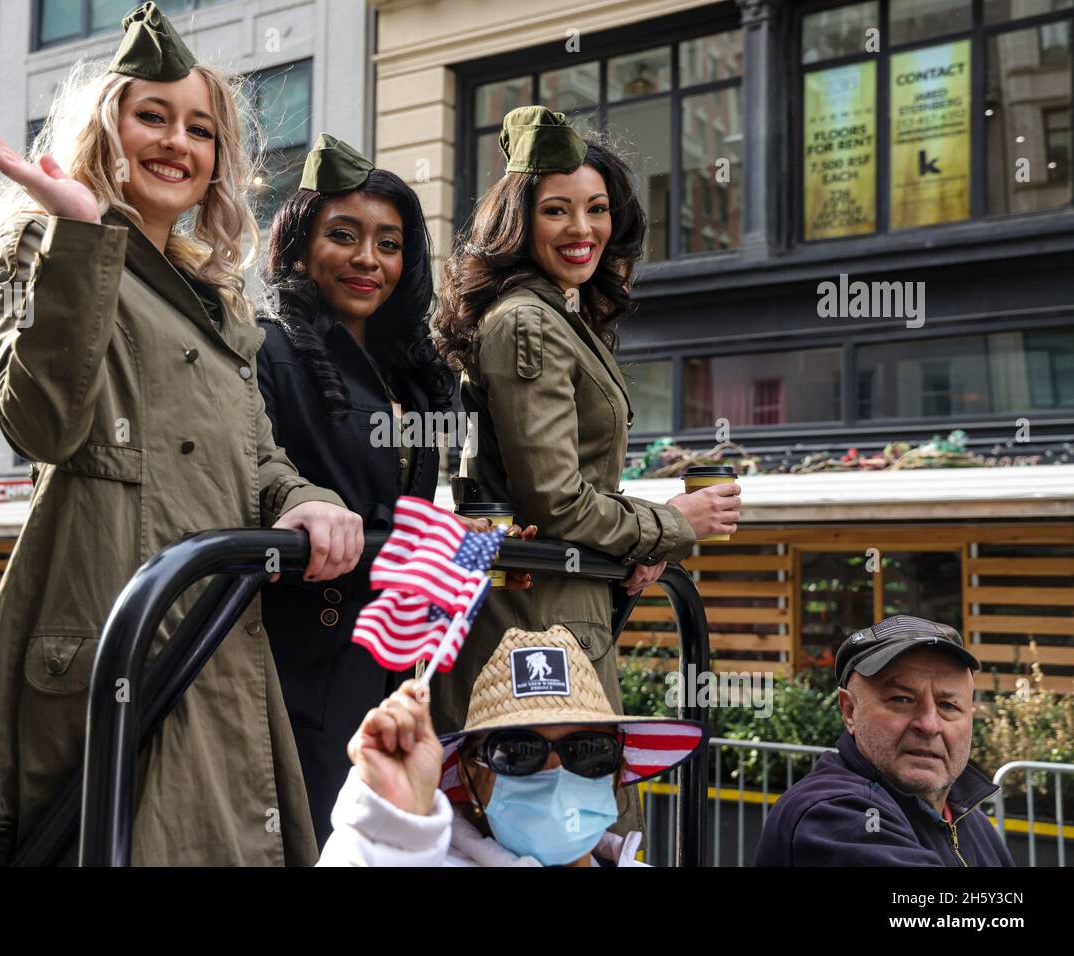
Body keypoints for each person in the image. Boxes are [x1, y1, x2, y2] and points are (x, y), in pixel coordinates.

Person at [0, 3, 362, 866]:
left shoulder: (219, 297)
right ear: (106, 130)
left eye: (200, 129)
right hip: (113, 642)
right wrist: (79, 234)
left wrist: (309, 500)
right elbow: (41, 426)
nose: (177, 143)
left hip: (213, 649)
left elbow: (257, 457)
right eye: (152, 117)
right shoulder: (47, 243)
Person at [430, 107, 739, 811]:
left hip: (551, 612)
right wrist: (672, 523)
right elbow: (555, 500)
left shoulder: (555, 314)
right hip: (534, 624)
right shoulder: (528, 321)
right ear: (519, 222)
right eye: (556, 210)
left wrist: (634, 544)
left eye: (597, 209)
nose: (582, 228)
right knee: (555, 818)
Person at [255, 135, 457, 847]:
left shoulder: (415, 370)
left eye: (389, 244)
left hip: (390, 656)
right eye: (343, 235)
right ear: (300, 245)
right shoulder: (266, 347)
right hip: (300, 651)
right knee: (309, 835)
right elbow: (250, 476)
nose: (369, 259)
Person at [317, 625, 707, 866]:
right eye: (520, 751)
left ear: (616, 773)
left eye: (588, 750)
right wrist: (392, 821)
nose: (555, 773)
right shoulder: (411, 858)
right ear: (470, 774)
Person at [756, 615, 1014, 867]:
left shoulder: (970, 820)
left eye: (948, 705)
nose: (929, 725)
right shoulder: (832, 814)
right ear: (850, 711)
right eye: (902, 699)